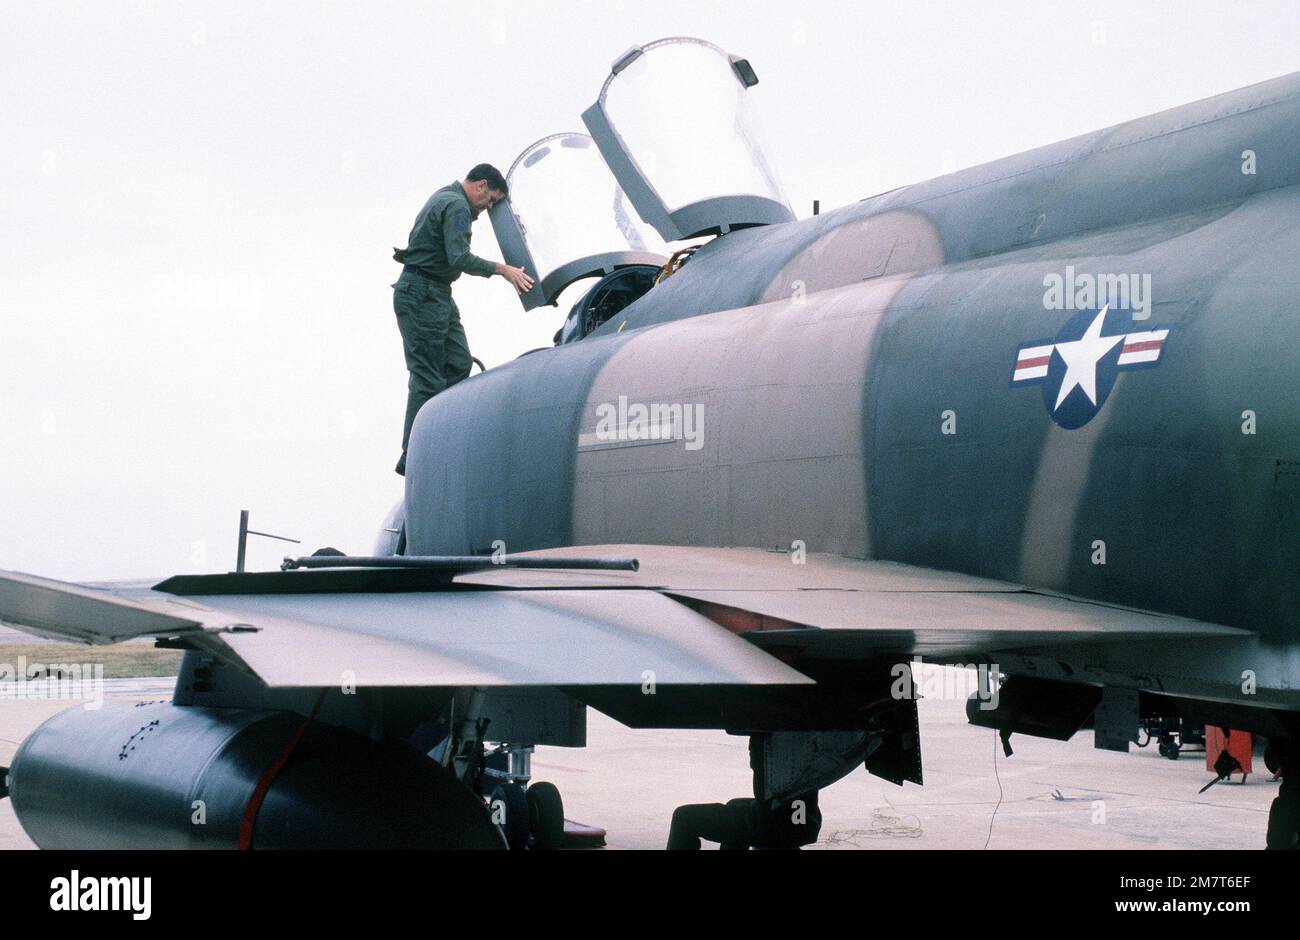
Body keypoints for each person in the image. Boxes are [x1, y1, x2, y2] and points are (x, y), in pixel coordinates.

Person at [392, 164, 534, 476]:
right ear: (481, 186)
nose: (488, 208)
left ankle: (441, 433)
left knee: (457, 362)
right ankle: (414, 454)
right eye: (492, 200)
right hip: (422, 293)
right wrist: (504, 270)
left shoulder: (447, 196)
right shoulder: (456, 205)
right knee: (427, 376)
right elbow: (459, 258)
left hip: (435, 292)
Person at [666, 734, 823, 850]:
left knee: (684, 817)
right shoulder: (805, 729)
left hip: (772, 821)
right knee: (736, 806)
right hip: (806, 821)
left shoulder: (772, 723)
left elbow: (734, 723)